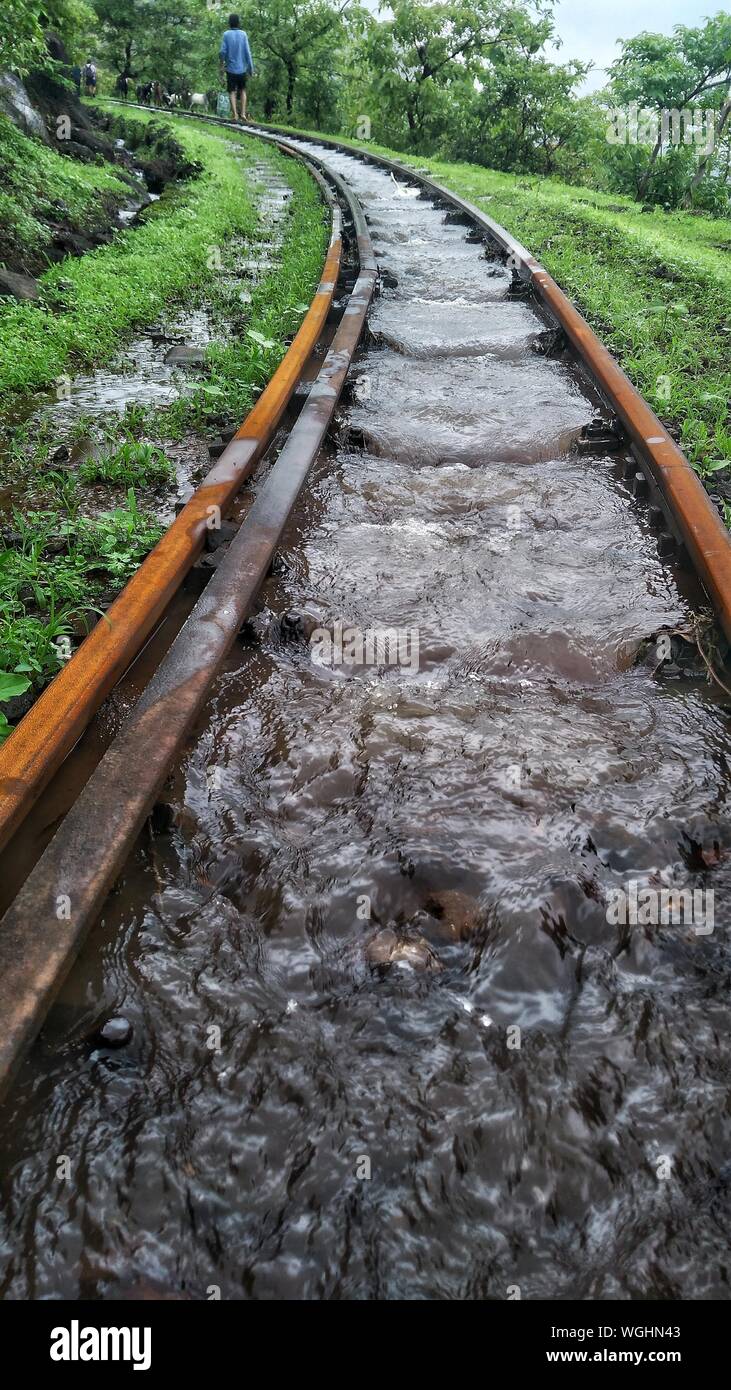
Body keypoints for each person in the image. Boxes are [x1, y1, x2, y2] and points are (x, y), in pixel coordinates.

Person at [219, 14, 254, 122]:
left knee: (232, 91)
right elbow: (247, 52)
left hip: (231, 69)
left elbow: (222, 52)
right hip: (242, 69)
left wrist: (221, 63)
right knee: (243, 90)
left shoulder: (226, 34)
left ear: (229, 23)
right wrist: (251, 68)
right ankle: (243, 113)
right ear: (238, 22)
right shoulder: (243, 34)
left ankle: (235, 114)